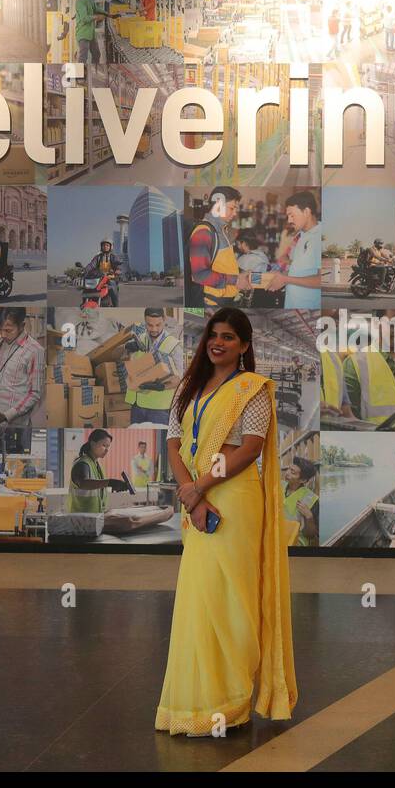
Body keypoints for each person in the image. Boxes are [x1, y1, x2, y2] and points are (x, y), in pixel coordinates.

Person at [158, 308, 298, 735]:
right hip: (197, 498)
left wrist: (200, 487)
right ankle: (192, 703)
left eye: (228, 337)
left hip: (233, 498)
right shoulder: (189, 386)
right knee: (198, 599)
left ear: (244, 345)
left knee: (232, 599)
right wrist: (191, 493)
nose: (218, 342)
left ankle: (231, 701)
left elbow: (250, 449)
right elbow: (174, 442)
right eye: (213, 335)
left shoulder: (251, 389)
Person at [188, 186, 247, 308]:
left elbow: (223, 264)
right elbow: (199, 275)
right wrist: (235, 280)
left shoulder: (222, 230)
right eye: (232, 208)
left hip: (226, 300)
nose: (235, 213)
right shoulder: (203, 232)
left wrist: (242, 273)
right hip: (212, 303)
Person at [125, 309, 184, 426]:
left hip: (159, 409)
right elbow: (126, 361)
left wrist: (161, 387)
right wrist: (127, 349)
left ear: (164, 320)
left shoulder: (174, 345)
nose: (154, 329)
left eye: (158, 325)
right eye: (149, 325)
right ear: (145, 321)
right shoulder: (139, 339)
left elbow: (179, 379)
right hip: (137, 405)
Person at [0, 307, 43, 428]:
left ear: (22, 326)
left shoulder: (35, 350)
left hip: (17, 424)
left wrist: (7, 415)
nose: (3, 335)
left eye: (8, 330)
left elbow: (34, 393)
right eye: (0, 329)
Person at [270, 191, 321, 309]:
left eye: (292, 215)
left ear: (306, 212)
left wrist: (285, 279)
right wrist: (281, 276)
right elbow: (300, 272)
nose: (289, 220)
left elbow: (321, 280)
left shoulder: (320, 237)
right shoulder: (302, 235)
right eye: (288, 216)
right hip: (292, 304)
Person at [68, 428, 131, 513]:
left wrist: (116, 485)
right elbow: (83, 483)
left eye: (108, 446)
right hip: (81, 518)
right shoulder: (82, 464)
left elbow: (98, 486)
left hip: (95, 516)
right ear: (93, 444)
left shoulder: (97, 464)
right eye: (104, 445)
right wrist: (110, 482)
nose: (107, 450)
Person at [282, 457, 319, 547]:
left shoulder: (311, 499)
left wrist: (309, 517)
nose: (287, 473)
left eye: (292, 472)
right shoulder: (278, 486)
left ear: (303, 480)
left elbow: (310, 535)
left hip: (295, 546)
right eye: (289, 469)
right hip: (275, 543)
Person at [73, 0, 108, 65]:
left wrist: (108, 14)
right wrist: (97, 17)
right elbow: (84, 18)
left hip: (91, 33)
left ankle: (93, 72)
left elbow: (96, 8)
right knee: (83, 57)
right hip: (83, 33)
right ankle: (79, 76)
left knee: (96, 54)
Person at [84, 239, 122, 306]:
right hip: (99, 278)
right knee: (87, 288)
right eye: (104, 245)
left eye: (107, 245)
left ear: (110, 247)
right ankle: (85, 303)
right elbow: (91, 265)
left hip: (110, 278)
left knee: (112, 286)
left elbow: (117, 265)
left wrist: (117, 270)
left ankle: (116, 306)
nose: (105, 247)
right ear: (101, 247)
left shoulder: (113, 257)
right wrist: (85, 270)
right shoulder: (98, 257)